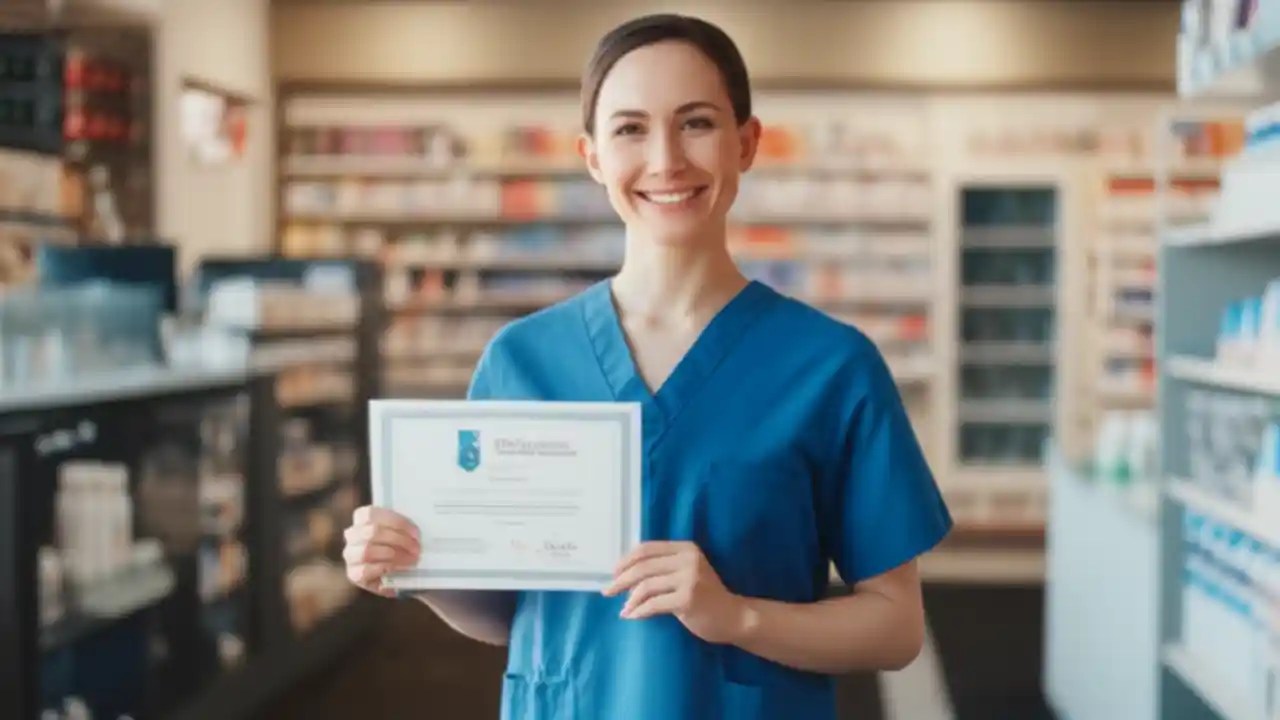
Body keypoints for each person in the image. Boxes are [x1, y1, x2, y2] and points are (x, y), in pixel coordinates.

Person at [343, 12, 952, 719]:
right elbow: (515, 613)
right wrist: (418, 568)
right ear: (592, 156)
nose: (666, 160)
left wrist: (738, 618)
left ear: (746, 143)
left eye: (696, 122)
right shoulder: (523, 361)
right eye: (630, 128)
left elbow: (895, 624)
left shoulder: (830, 367)